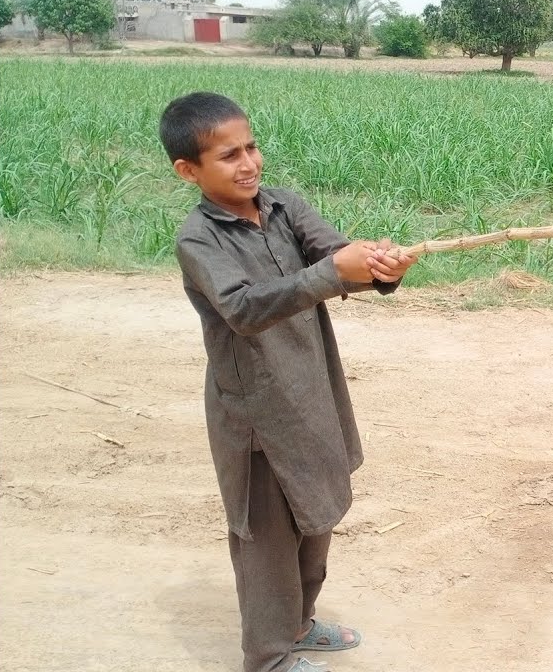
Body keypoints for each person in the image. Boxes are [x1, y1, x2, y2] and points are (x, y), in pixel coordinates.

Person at [160, 91, 416, 672]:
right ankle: (269, 656)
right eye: (228, 156)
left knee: (314, 511)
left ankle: (298, 624)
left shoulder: (283, 207)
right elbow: (245, 308)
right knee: (268, 535)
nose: (248, 163)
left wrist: (380, 266)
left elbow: (336, 254)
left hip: (310, 388)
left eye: (251, 147)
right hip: (254, 411)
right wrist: (331, 273)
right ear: (189, 170)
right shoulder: (198, 240)